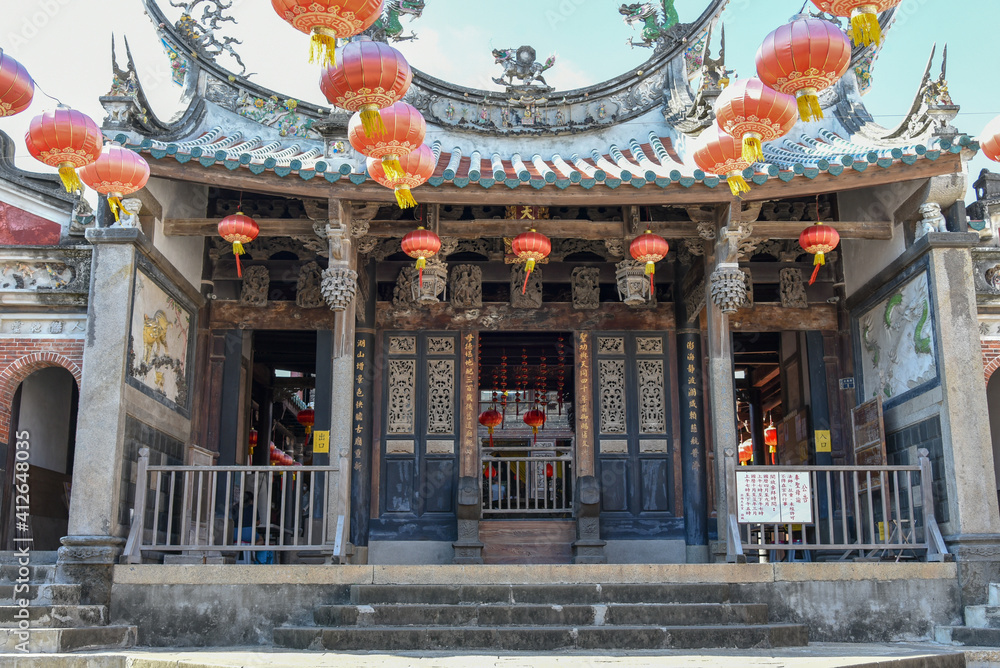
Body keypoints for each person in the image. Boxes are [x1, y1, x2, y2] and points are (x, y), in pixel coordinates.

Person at [232, 492, 275, 564]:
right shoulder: (252, 508)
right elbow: (258, 522)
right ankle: (251, 550)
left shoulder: (235, 507)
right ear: (251, 500)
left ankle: (246, 551)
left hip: (235, 534)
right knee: (261, 539)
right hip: (248, 534)